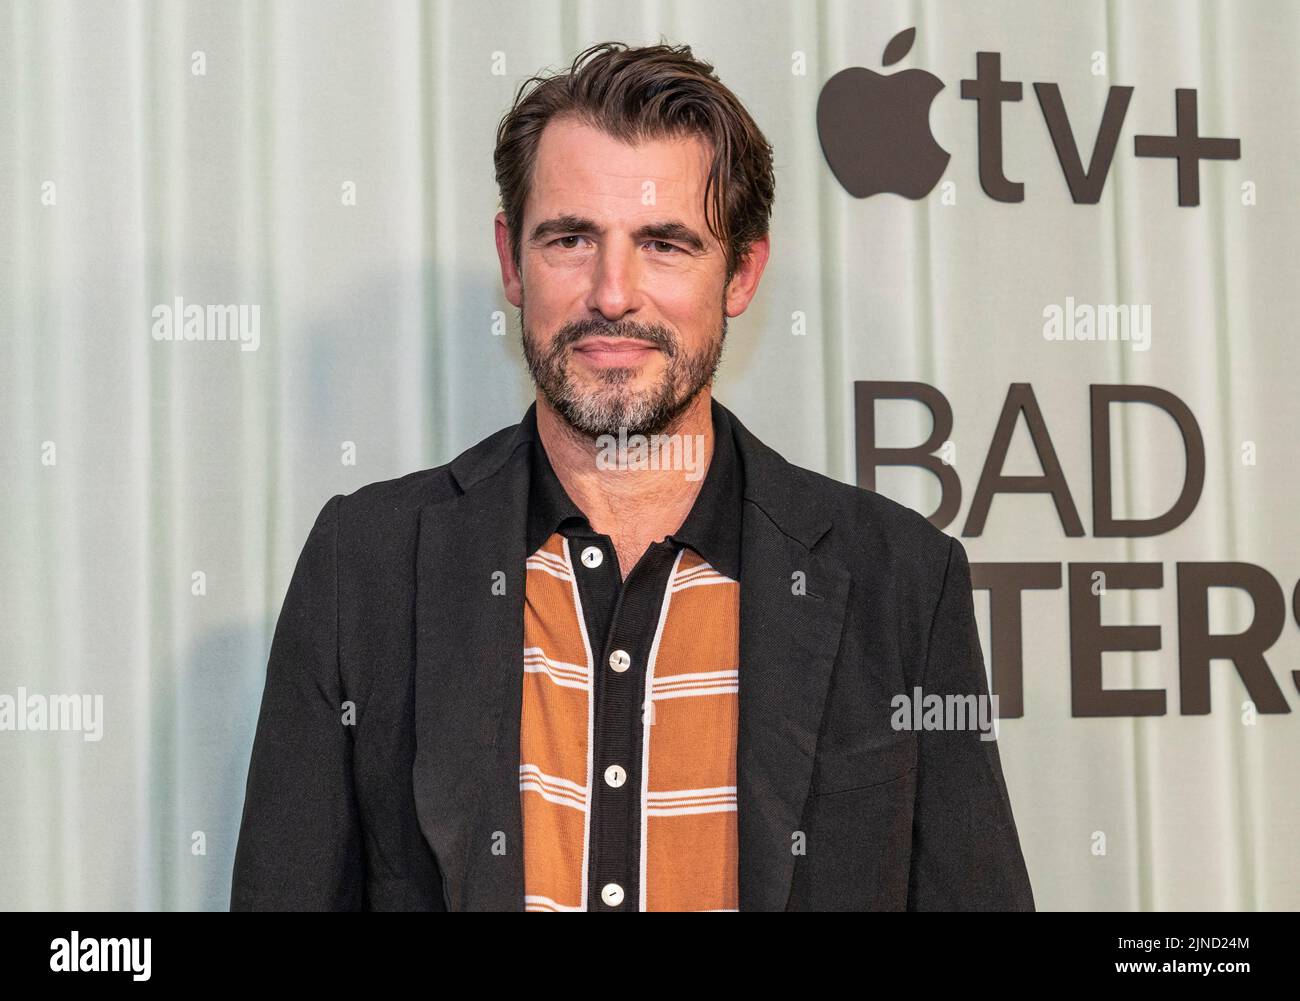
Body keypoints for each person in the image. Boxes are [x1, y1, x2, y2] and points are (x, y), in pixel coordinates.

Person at [230, 40, 1034, 912]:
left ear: (742, 273)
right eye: (571, 238)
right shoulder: (365, 569)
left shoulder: (902, 585)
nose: (613, 294)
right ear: (511, 260)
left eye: (664, 244)